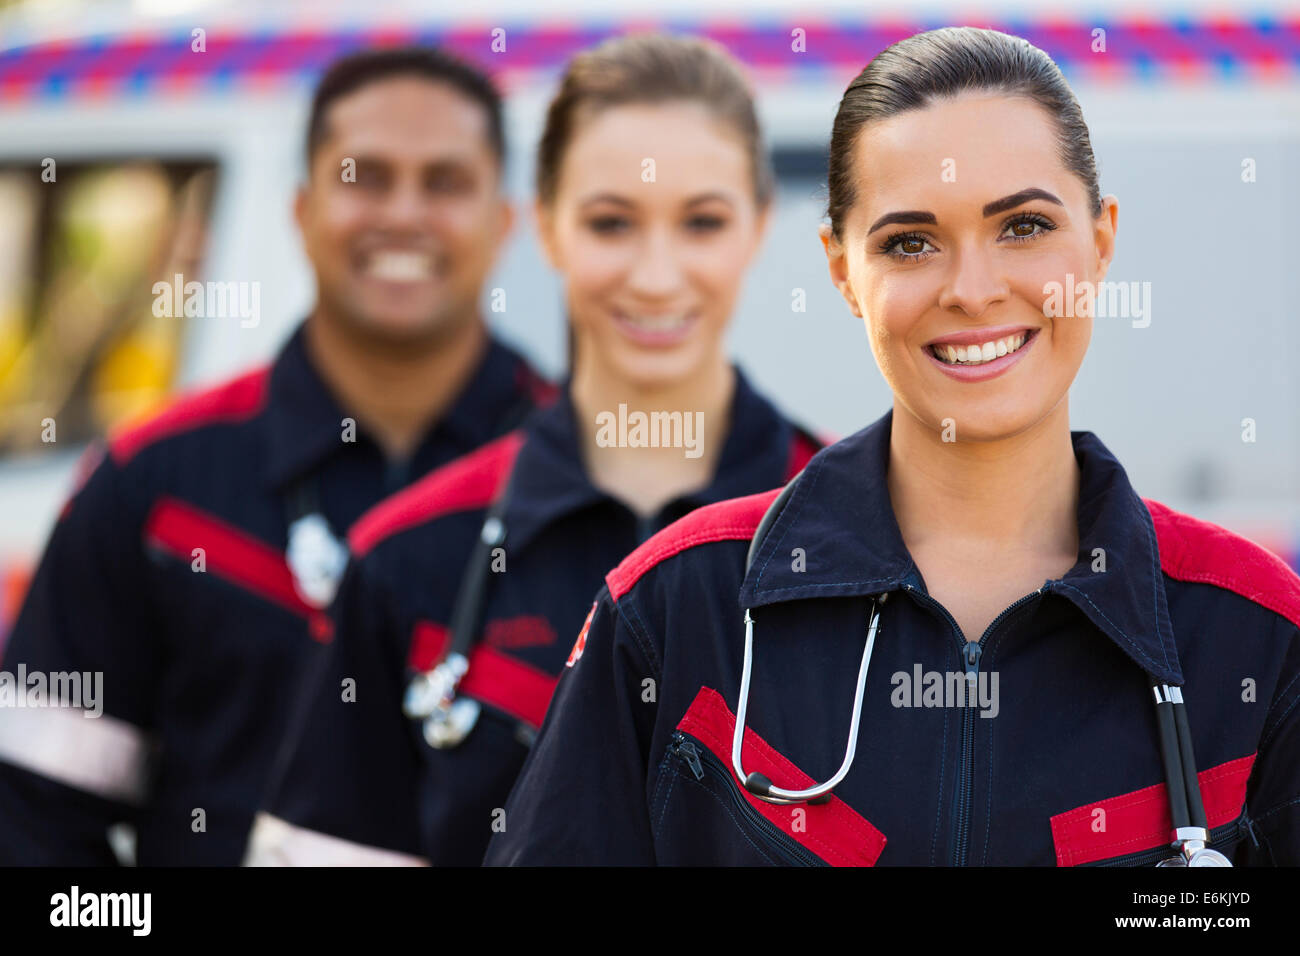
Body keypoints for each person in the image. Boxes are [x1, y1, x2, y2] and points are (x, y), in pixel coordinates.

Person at [485, 26, 1300, 866]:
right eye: (909, 242)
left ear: (1099, 242)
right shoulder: (679, 607)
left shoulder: (1257, 635)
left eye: (1023, 226)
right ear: (842, 270)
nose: (974, 291)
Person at [246, 33, 823, 866]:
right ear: (546, 225)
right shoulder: (407, 555)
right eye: (611, 223)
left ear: (759, 227)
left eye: (702, 222)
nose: (657, 276)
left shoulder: (864, 528)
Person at [0, 47, 553, 865]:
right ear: (301, 208)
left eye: (445, 182)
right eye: (365, 176)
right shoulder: (153, 483)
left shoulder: (586, 479)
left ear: (506, 221)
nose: (403, 213)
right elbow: (31, 821)